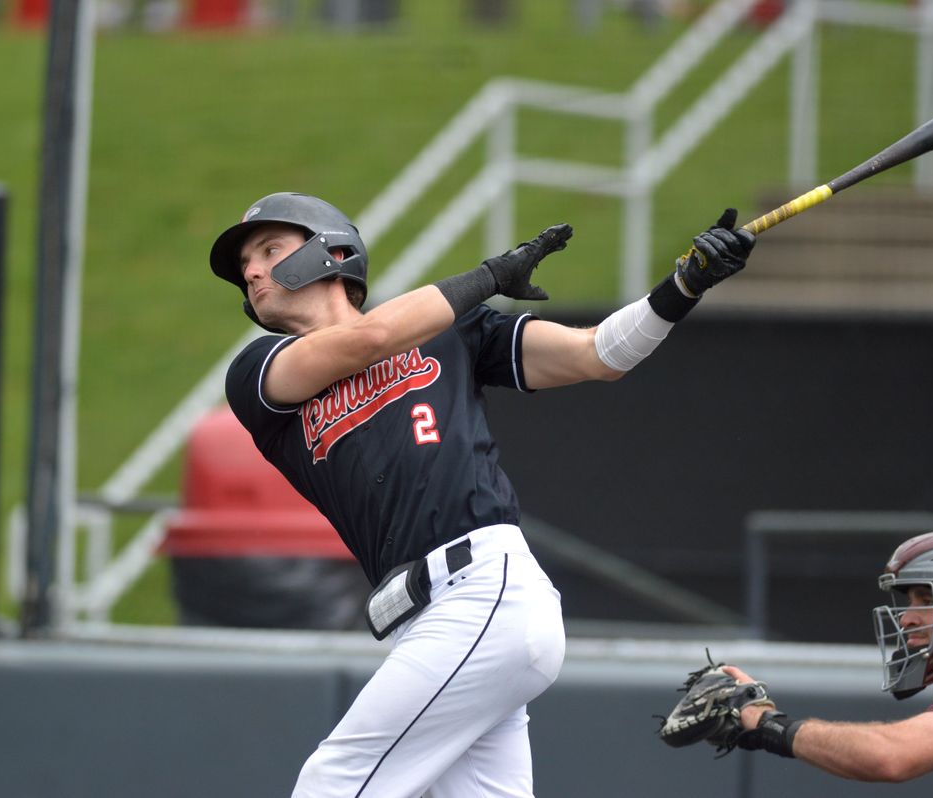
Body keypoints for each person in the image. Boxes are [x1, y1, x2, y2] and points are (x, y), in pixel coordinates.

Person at [209, 191, 755, 797]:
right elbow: (368, 340)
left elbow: (597, 354)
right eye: (245, 265)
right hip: (426, 620)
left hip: (481, 592)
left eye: (269, 250)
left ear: (331, 253)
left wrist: (683, 287)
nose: (252, 271)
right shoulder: (256, 372)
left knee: (333, 783)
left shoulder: (447, 331)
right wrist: (491, 276)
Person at [723, 527, 933, 797]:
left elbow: (891, 756)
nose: (906, 619)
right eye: (910, 602)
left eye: (928, 601)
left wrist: (768, 724)